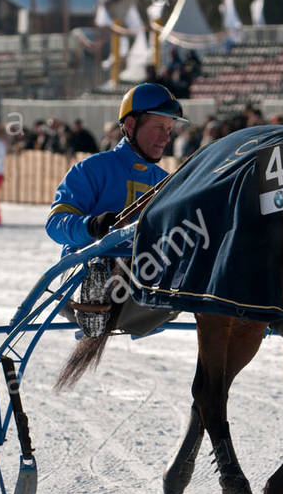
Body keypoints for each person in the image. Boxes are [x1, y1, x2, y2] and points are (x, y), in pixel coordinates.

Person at [46, 82, 185, 337]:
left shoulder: (169, 183)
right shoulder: (91, 170)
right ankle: (94, 306)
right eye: (158, 128)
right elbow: (55, 225)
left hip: (141, 283)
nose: (166, 137)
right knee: (98, 268)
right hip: (86, 277)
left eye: (169, 129)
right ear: (130, 126)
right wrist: (91, 226)